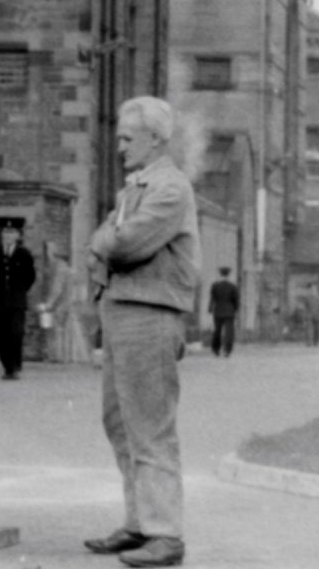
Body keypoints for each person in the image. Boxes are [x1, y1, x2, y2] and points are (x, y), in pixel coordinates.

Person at [83, 97, 199, 569]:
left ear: (155, 139)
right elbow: (107, 242)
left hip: (150, 315)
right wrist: (104, 242)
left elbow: (125, 243)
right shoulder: (137, 188)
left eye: (128, 138)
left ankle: (165, 534)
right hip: (123, 311)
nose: (120, 147)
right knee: (119, 423)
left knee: (150, 427)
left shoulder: (169, 188)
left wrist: (103, 241)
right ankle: (139, 524)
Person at [0, 225, 36, 380]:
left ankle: (15, 366)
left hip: (17, 301)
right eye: (5, 233)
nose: (8, 236)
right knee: (0, 334)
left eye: (11, 233)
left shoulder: (24, 254)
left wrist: (19, 291)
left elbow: (30, 276)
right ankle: (7, 367)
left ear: (17, 236)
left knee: (16, 333)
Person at [36, 241, 91, 365]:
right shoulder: (64, 268)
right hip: (67, 303)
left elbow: (57, 288)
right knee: (65, 330)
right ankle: (64, 355)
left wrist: (49, 304)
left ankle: (59, 355)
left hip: (62, 304)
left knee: (58, 330)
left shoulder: (60, 269)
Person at [208, 267, 239, 358]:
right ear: (228, 275)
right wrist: (235, 309)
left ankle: (216, 349)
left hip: (218, 311)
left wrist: (210, 309)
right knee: (229, 332)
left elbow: (212, 298)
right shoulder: (232, 286)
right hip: (229, 311)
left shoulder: (215, 286)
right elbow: (236, 300)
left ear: (220, 274)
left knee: (217, 330)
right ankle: (227, 350)